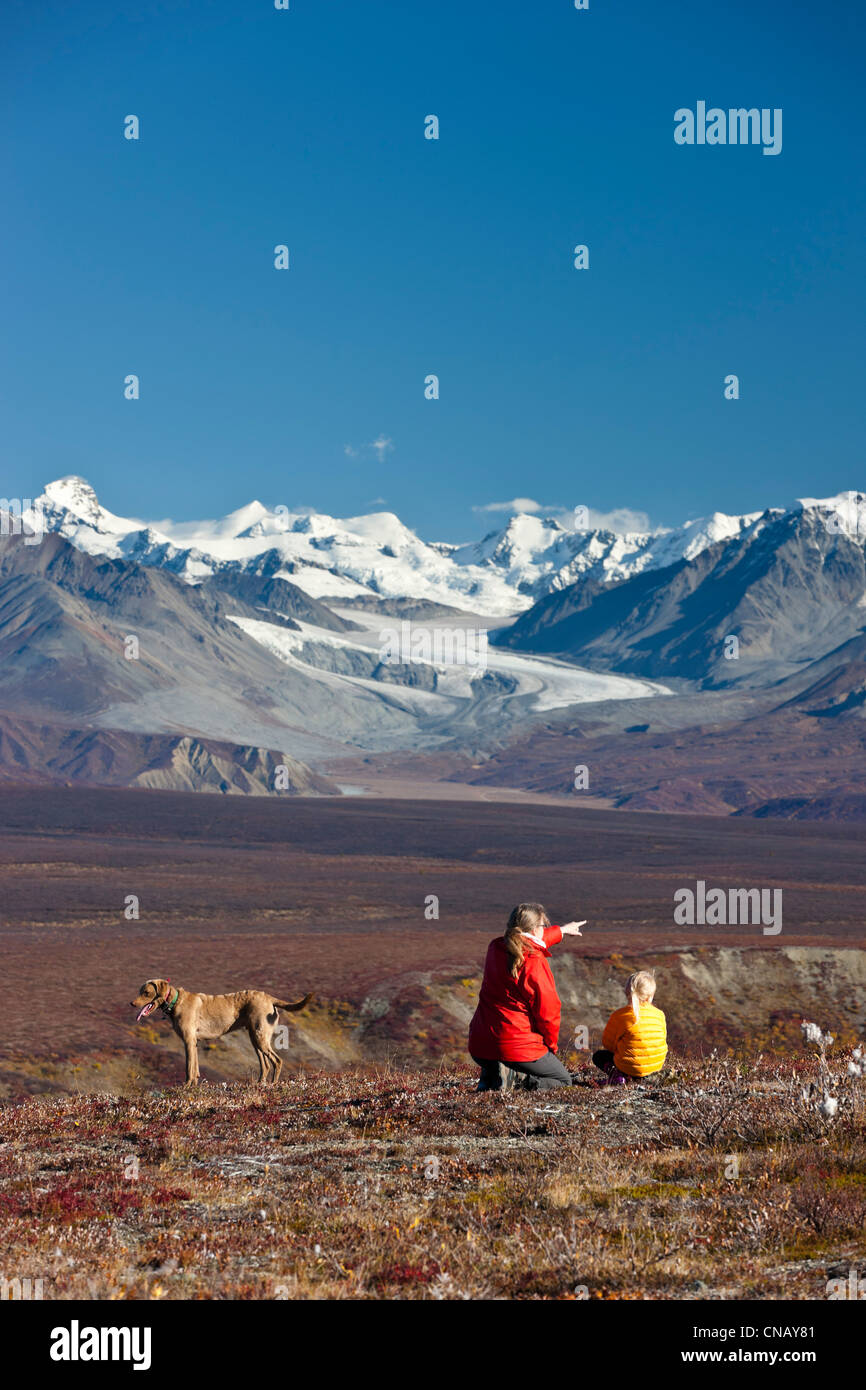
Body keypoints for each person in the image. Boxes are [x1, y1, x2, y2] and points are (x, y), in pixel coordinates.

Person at [468, 902, 585, 1091]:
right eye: (543, 925)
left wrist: (562, 931)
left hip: (480, 1045)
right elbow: (549, 1013)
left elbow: (526, 941)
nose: (545, 929)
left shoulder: (495, 948)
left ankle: (491, 1075)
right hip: (515, 1048)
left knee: (496, 1057)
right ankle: (517, 1081)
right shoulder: (535, 963)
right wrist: (550, 1048)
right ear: (534, 929)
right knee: (563, 1081)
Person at [593, 970, 667, 1084]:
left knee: (598, 1056)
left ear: (627, 992)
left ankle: (618, 1076)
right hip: (654, 1068)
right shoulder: (660, 1014)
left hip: (628, 1068)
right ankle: (641, 1079)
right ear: (650, 995)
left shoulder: (620, 1016)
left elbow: (608, 1044)